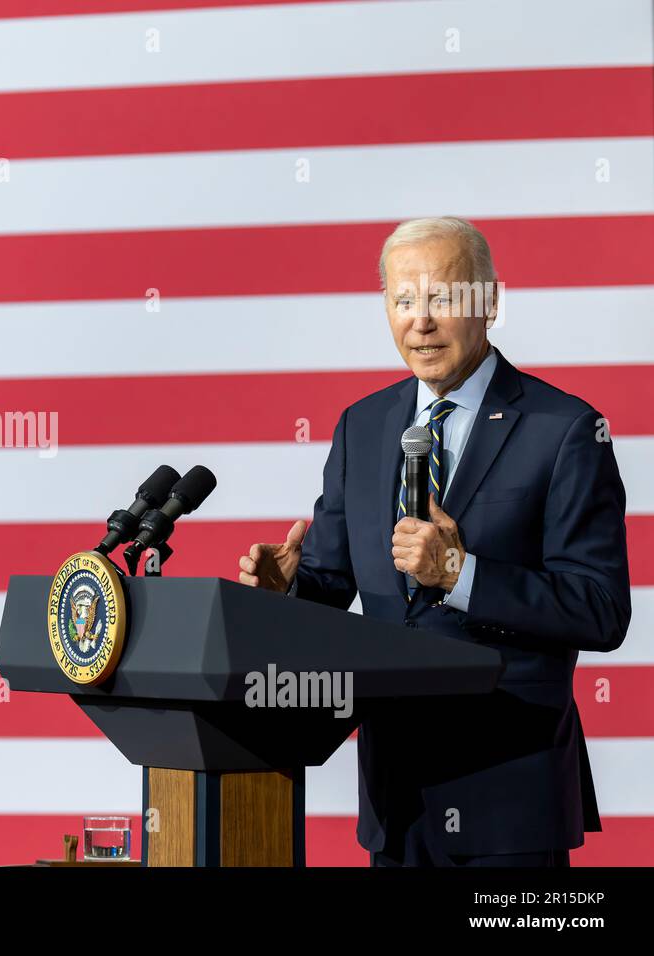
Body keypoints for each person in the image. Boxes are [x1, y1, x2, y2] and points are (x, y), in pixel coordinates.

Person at [237, 217, 630, 867]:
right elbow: (331, 582)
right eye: (403, 300)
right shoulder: (362, 427)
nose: (420, 321)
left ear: (491, 303)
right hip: (398, 799)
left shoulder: (564, 430)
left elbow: (599, 608)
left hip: (510, 800)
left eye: (442, 298)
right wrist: (288, 591)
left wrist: (461, 574)